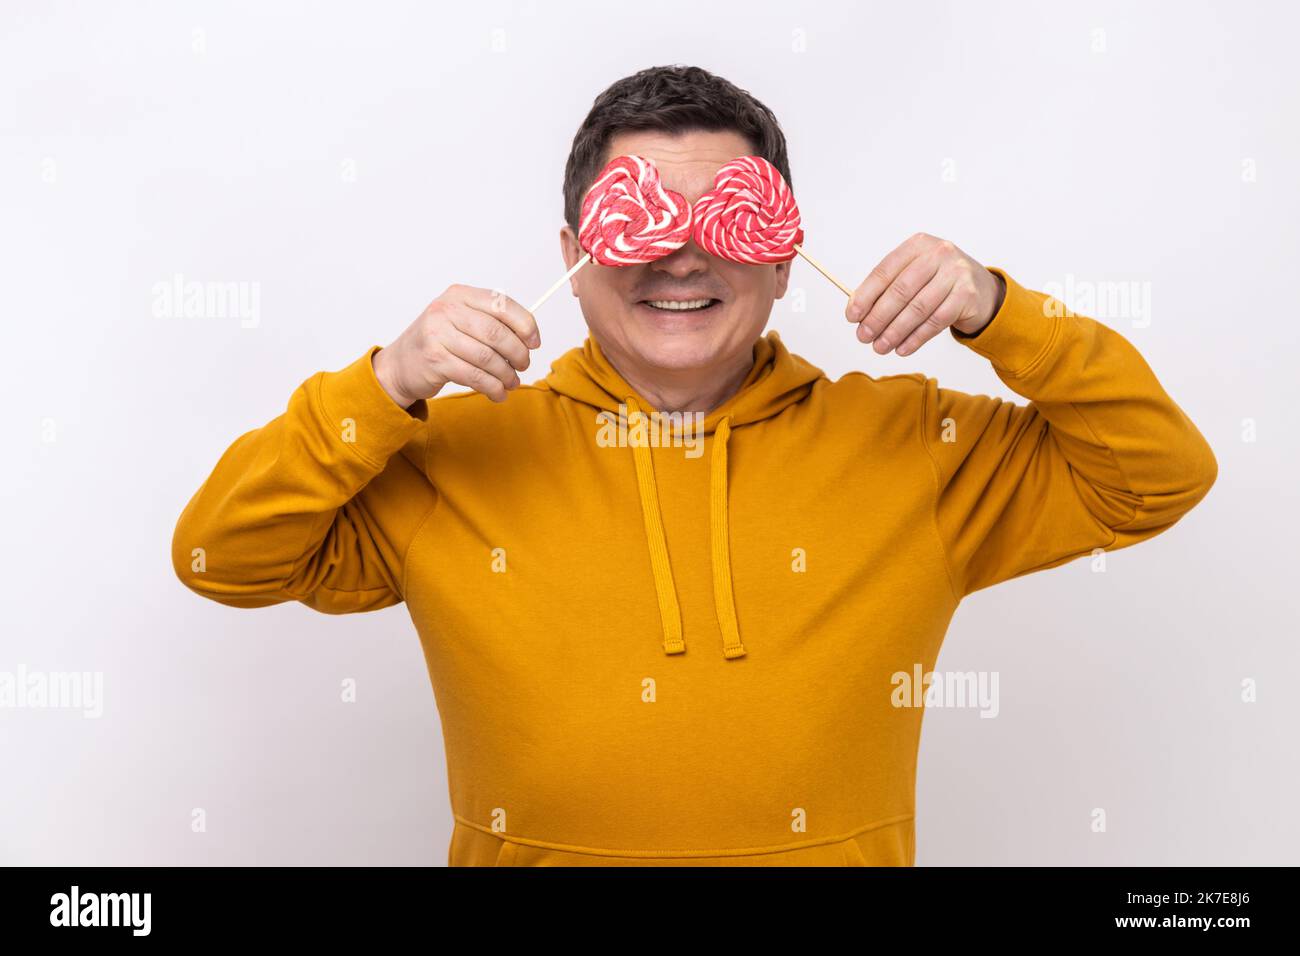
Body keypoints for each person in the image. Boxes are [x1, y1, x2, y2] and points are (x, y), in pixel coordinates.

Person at [171, 64, 1217, 866]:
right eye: (640, 220)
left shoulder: (918, 445)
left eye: (721, 217)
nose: (679, 256)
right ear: (574, 255)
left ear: (777, 253)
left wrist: (999, 308)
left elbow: (1161, 470)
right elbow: (220, 555)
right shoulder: (450, 452)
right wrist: (384, 382)